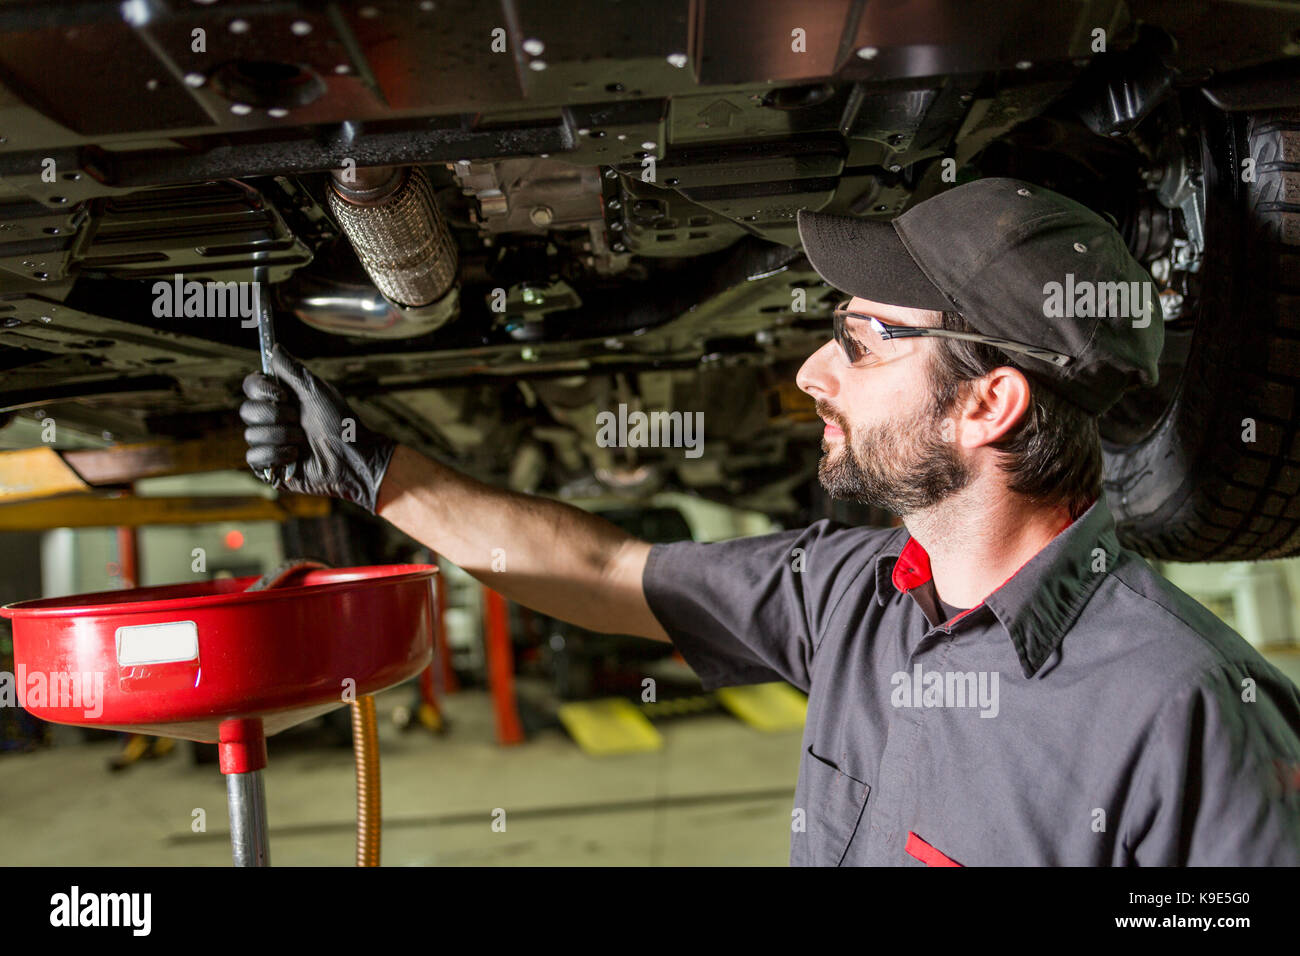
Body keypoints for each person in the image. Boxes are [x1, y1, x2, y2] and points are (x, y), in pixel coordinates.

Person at [241, 177, 1300, 866]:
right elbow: (604, 567)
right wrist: (372, 470)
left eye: (865, 339)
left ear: (989, 402)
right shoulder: (854, 592)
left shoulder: (1189, 714)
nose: (810, 372)